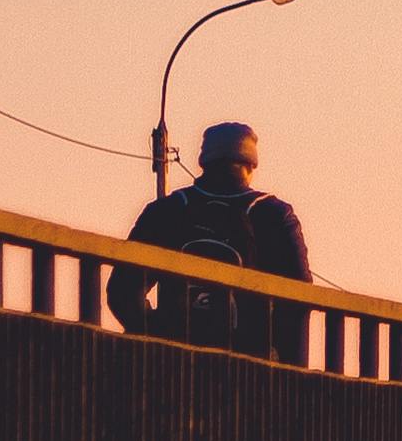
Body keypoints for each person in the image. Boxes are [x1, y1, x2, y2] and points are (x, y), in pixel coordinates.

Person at [108, 120, 312, 341]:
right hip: (247, 352)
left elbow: (122, 291)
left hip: (174, 348)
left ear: (204, 162)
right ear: (251, 165)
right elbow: (300, 293)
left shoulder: (167, 210)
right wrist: (267, 345)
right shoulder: (272, 214)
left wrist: (156, 333)